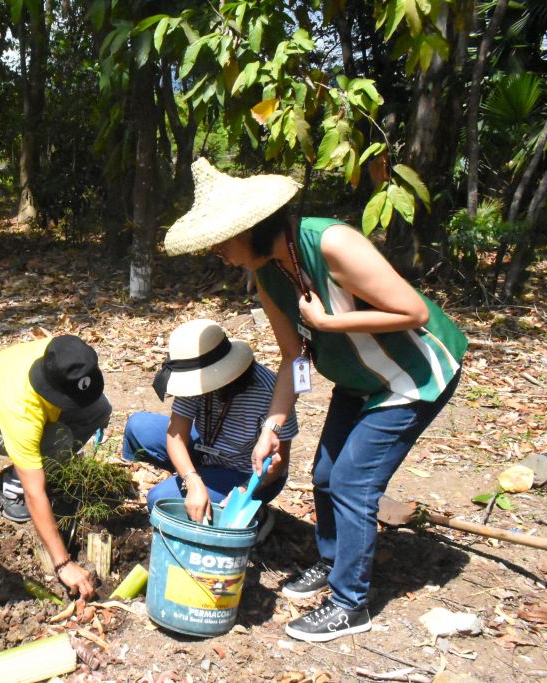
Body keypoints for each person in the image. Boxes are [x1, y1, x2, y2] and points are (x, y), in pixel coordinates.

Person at [163, 159, 466, 642]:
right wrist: (271, 427)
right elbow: (291, 358)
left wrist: (329, 325)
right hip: (361, 379)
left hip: (414, 376)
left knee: (352, 482)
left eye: (222, 240)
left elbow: (413, 310)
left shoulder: (331, 242)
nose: (218, 252)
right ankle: (331, 560)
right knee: (324, 475)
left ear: (253, 227)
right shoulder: (267, 273)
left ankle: (351, 604)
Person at [0, 335, 112, 600]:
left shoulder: (62, 355)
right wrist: (63, 563)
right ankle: (13, 487)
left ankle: (37, 465)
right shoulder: (22, 410)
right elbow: (36, 493)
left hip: (11, 402)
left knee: (98, 409)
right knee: (57, 443)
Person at [122, 319, 298, 534]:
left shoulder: (271, 392)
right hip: (208, 449)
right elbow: (175, 435)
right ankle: (202, 484)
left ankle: (252, 516)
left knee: (159, 500)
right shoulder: (195, 377)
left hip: (244, 472)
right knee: (139, 426)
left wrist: (245, 488)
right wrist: (192, 480)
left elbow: (278, 465)